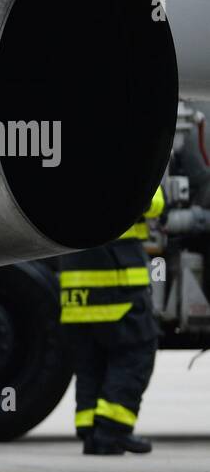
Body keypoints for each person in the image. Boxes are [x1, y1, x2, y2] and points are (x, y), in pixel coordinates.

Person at [59, 187, 165, 455]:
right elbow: (153, 202)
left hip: (75, 283)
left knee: (91, 360)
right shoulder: (124, 159)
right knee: (135, 353)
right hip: (118, 281)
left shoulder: (63, 162)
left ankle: (91, 431)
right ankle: (112, 431)